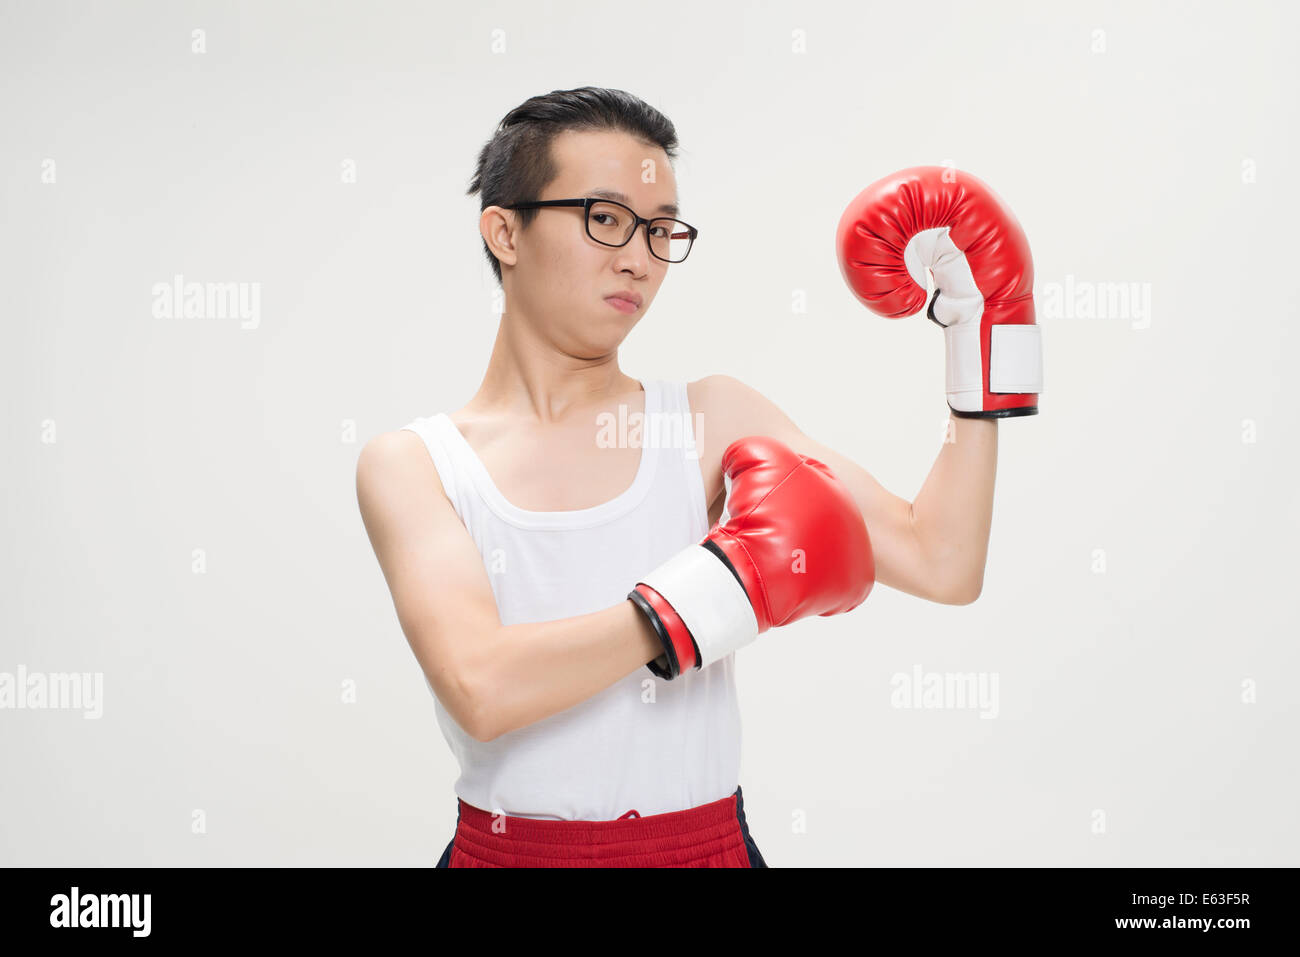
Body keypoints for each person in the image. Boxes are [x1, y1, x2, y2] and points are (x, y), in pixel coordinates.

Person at [355, 87, 1011, 867]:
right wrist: (718, 591)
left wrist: (983, 337)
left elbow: (942, 562)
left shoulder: (709, 418)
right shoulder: (417, 462)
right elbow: (483, 688)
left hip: (702, 849)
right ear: (505, 230)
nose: (638, 257)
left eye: (660, 228)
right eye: (605, 218)